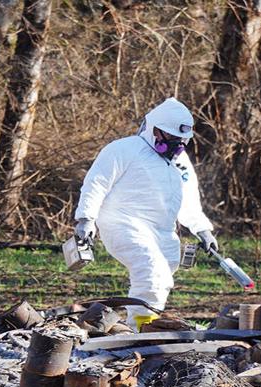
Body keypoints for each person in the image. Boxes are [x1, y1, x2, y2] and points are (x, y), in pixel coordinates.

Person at [73, 97, 217, 330]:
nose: (177, 145)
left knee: (162, 279)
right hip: (123, 222)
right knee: (152, 271)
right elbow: (96, 183)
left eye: (182, 141)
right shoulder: (125, 149)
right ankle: (141, 328)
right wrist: (86, 218)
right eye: (173, 139)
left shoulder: (179, 161)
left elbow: (189, 197)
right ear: (155, 131)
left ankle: (146, 323)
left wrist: (202, 229)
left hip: (162, 231)